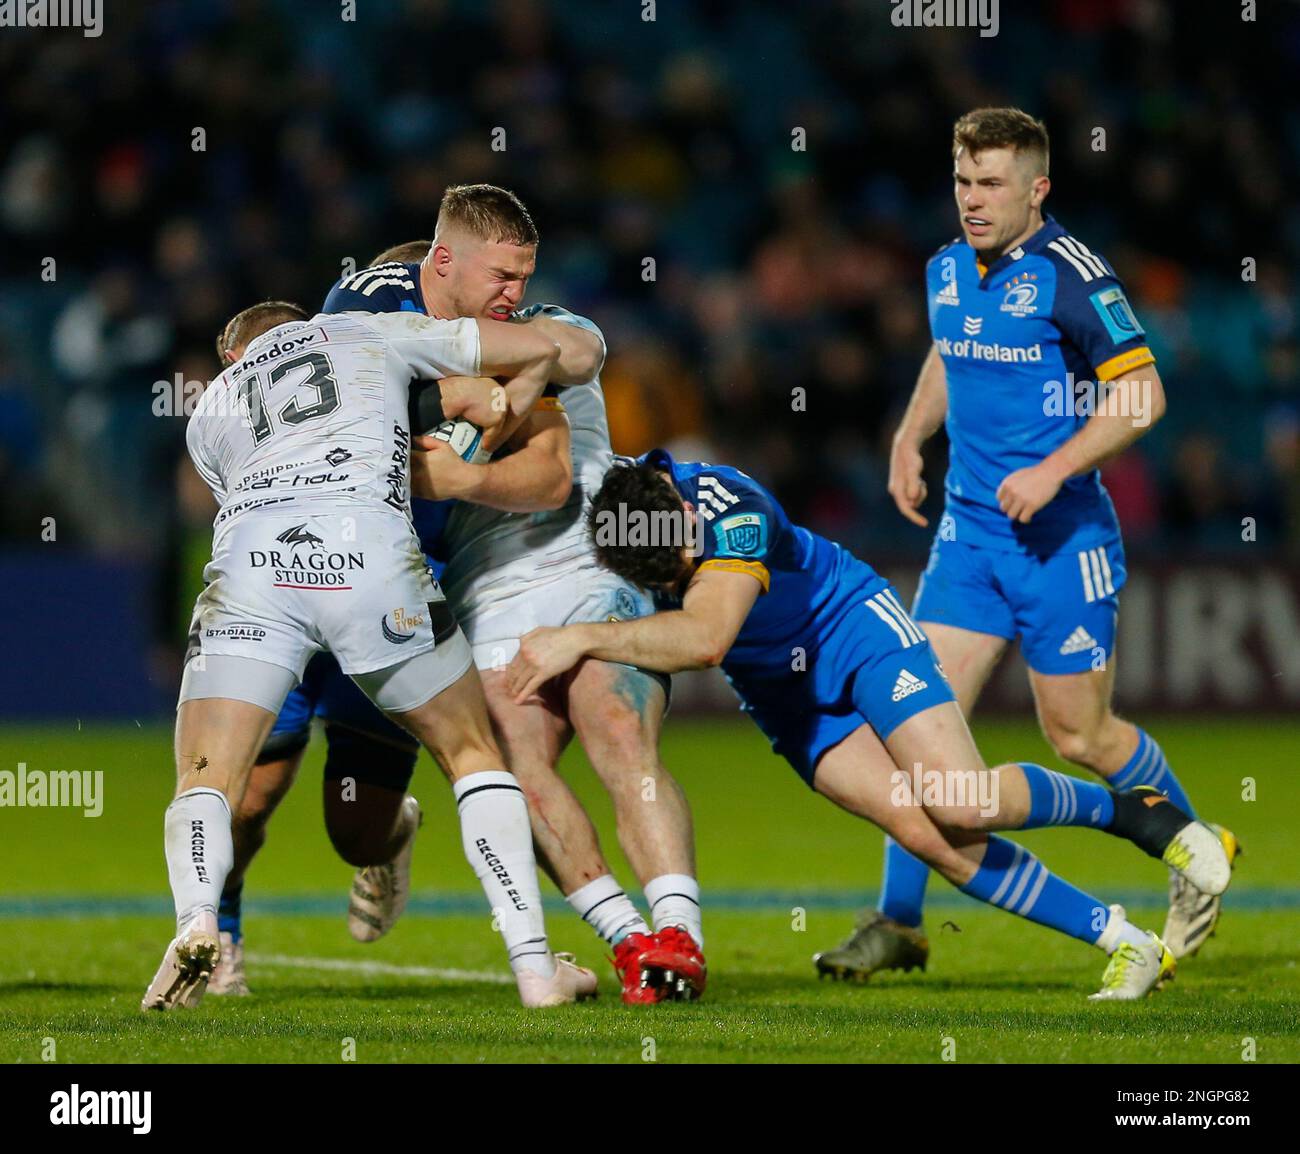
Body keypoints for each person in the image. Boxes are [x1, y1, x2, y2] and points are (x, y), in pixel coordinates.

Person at [503, 452, 1238, 1000]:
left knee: (959, 799)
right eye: (677, 571)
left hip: (852, 630)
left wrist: (582, 638)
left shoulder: (730, 507)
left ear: (676, 503)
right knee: (935, 841)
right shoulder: (633, 543)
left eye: (691, 552)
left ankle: (1136, 812)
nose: (694, 562)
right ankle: (1128, 944)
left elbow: (705, 639)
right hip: (789, 702)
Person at [214, 185, 705, 1005]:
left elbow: (571, 379)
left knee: (357, 828)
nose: (510, 295)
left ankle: (404, 843)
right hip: (294, 578)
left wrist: (480, 432)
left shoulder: (531, 339)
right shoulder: (363, 331)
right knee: (246, 787)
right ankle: (215, 937)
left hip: (406, 587)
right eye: (499, 278)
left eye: (521, 279)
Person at [813, 107, 1236, 981]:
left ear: (1037, 188)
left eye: (992, 184)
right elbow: (947, 353)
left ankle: (1193, 850)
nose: (972, 200)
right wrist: (908, 437)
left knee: (1078, 736)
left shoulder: (1070, 276)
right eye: (963, 181)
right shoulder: (944, 267)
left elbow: (1143, 396)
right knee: (910, 727)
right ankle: (899, 923)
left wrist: (1053, 469)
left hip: (1059, 543)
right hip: (969, 542)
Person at [143, 298, 598, 1011]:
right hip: (370, 557)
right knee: (473, 753)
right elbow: (516, 367)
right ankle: (537, 970)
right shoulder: (367, 331)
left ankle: (195, 923)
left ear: (236, 356)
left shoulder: (211, 410)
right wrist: (500, 401)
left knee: (207, 774)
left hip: (258, 568)